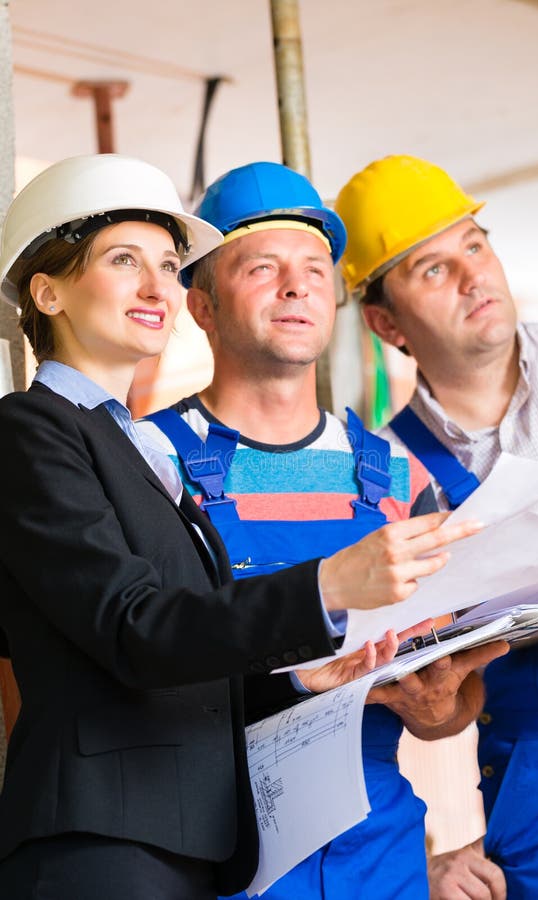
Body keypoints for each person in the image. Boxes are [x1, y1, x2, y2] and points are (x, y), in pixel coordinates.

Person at [0, 152, 482, 900]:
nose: (156, 284)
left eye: (166, 261)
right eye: (125, 260)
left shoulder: (132, 450)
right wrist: (329, 584)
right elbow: (128, 634)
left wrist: (304, 679)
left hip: (294, 847)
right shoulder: (68, 437)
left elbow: (183, 668)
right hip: (146, 846)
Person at [138, 160, 508, 900]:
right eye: (261, 267)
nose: (296, 284)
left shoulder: (399, 477)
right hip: (218, 872)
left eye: (314, 267)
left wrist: (442, 708)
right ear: (202, 304)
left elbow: (457, 701)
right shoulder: (149, 464)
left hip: (383, 865)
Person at [335, 153, 538, 900]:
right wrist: (435, 706)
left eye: (475, 245)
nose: (473, 275)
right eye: (432, 269)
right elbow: (440, 707)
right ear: (387, 322)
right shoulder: (389, 475)